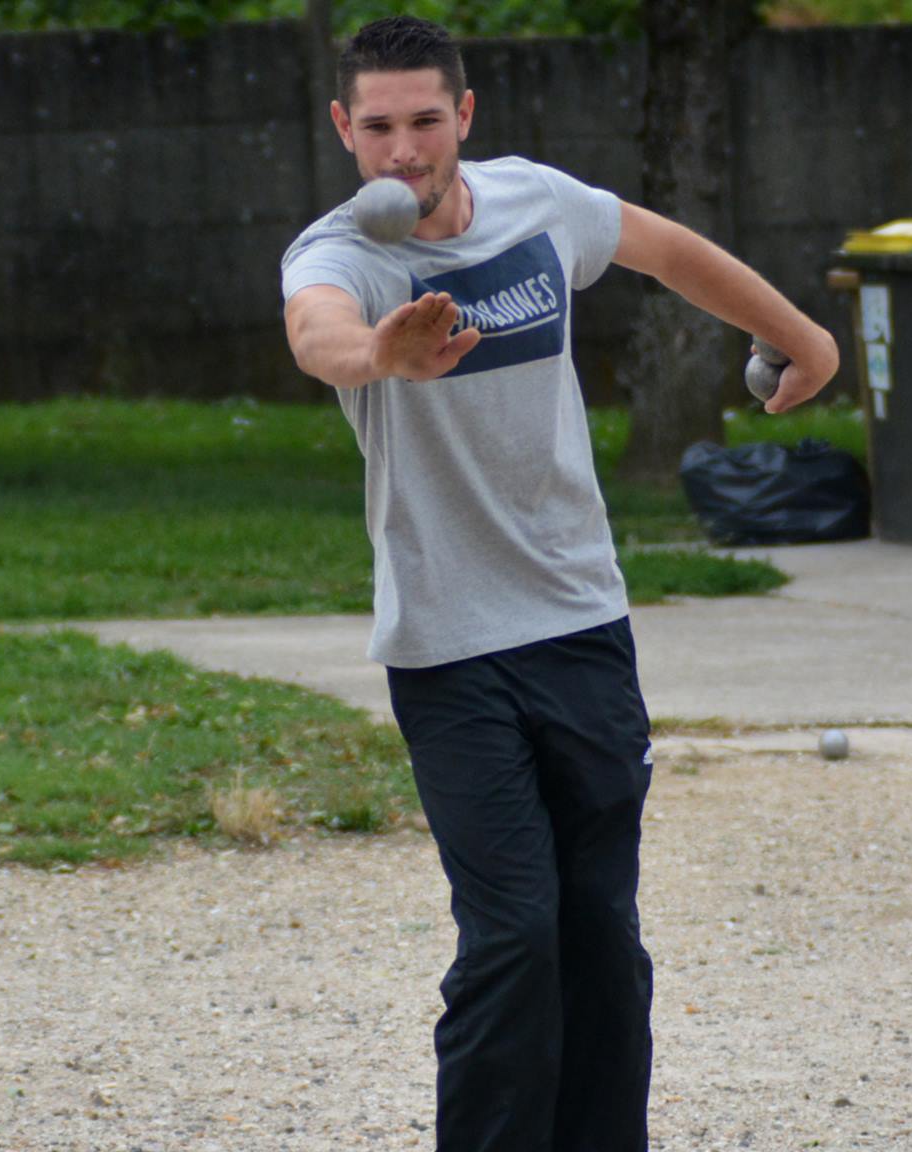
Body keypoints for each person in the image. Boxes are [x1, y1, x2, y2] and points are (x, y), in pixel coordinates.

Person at [279, 15, 837, 1152]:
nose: (402, 151)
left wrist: (802, 339)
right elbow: (315, 331)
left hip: (580, 624)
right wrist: (378, 357)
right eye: (376, 126)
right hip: (445, 649)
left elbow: (665, 249)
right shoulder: (341, 254)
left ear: (462, 116)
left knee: (599, 933)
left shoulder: (534, 203)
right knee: (511, 936)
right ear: (343, 128)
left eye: (424, 120)